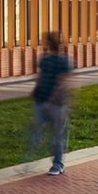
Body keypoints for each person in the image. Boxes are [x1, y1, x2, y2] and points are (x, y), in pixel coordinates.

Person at [27, 31, 74, 176]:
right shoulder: (44, 58)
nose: (44, 44)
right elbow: (40, 76)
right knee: (38, 131)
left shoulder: (63, 60)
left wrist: (50, 100)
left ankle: (57, 164)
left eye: (46, 42)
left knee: (57, 135)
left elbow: (61, 82)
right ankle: (36, 153)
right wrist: (36, 93)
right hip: (41, 101)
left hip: (57, 104)